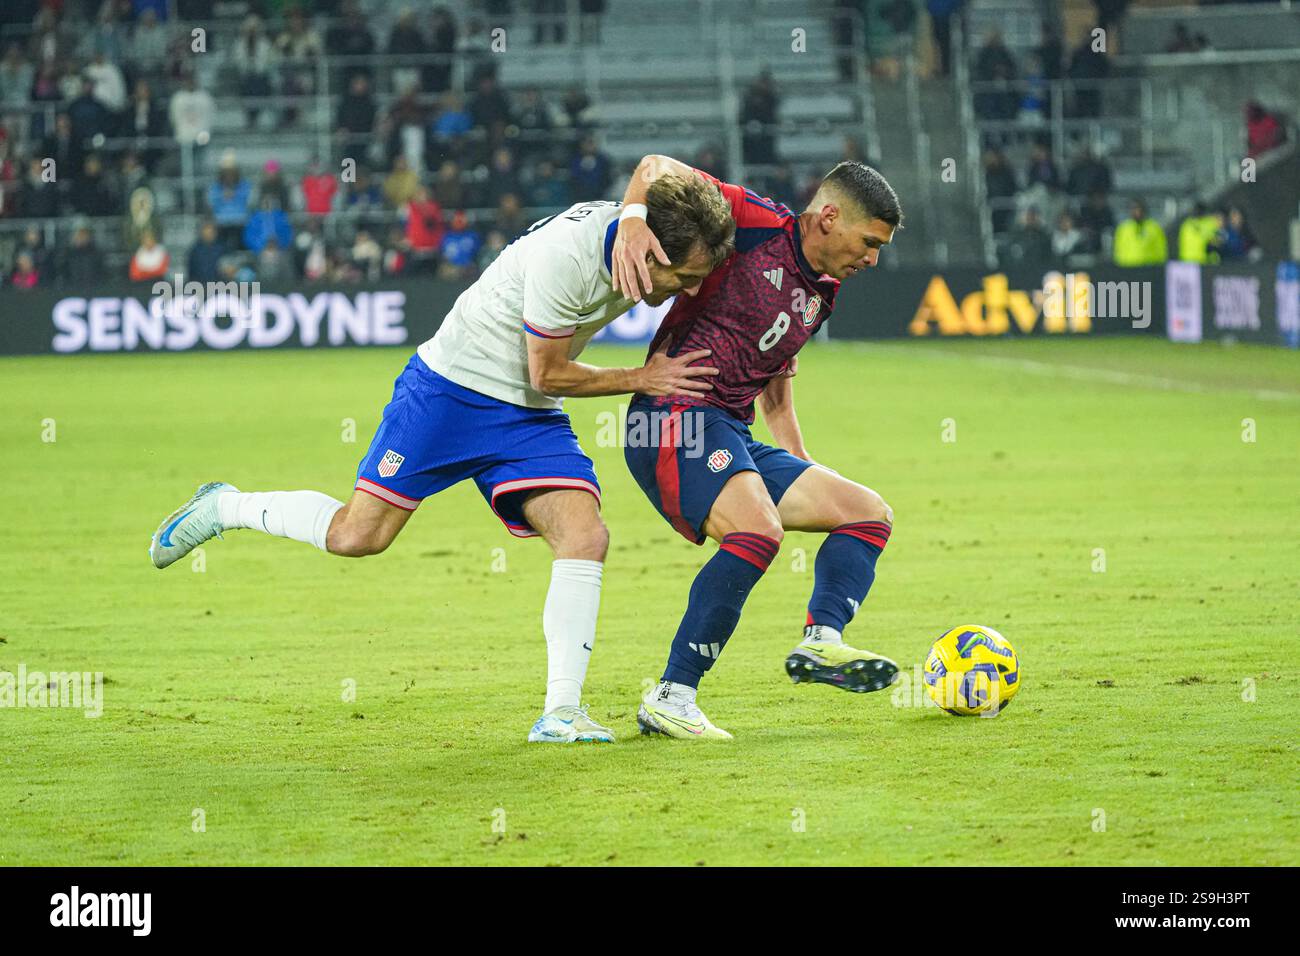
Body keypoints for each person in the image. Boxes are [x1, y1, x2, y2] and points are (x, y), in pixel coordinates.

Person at [147, 175, 736, 745]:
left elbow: (656, 166)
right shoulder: (569, 258)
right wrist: (643, 377)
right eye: (682, 278)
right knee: (358, 536)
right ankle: (225, 506)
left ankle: (561, 713)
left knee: (586, 537)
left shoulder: (642, 231)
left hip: (527, 412)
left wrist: (636, 212)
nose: (687, 291)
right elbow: (549, 372)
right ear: (649, 250)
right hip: (451, 390)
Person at [612, 155, 902, 739]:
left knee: (866, 513)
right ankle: (671, 695)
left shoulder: (822, 291)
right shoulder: (754, 220)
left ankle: (822, 642)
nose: (872, 259)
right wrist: (632, 220)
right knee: (758, 531)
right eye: (869, 243)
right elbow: (654, 166)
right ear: (828, 218)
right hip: (671, 417)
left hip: (728, 429)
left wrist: (802, 462)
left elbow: (775, 387)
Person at [1113, 199, 1167, 267]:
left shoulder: (1154, 227)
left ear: (1144, 210)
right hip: (1128, 268)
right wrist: (1119, 267)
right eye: (1134, 209)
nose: (1137, 211)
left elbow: (1161, 250)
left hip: (1149, 267)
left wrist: (1159, 266)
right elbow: (1118, 251)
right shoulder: (1123, 228)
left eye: (1139, 208)